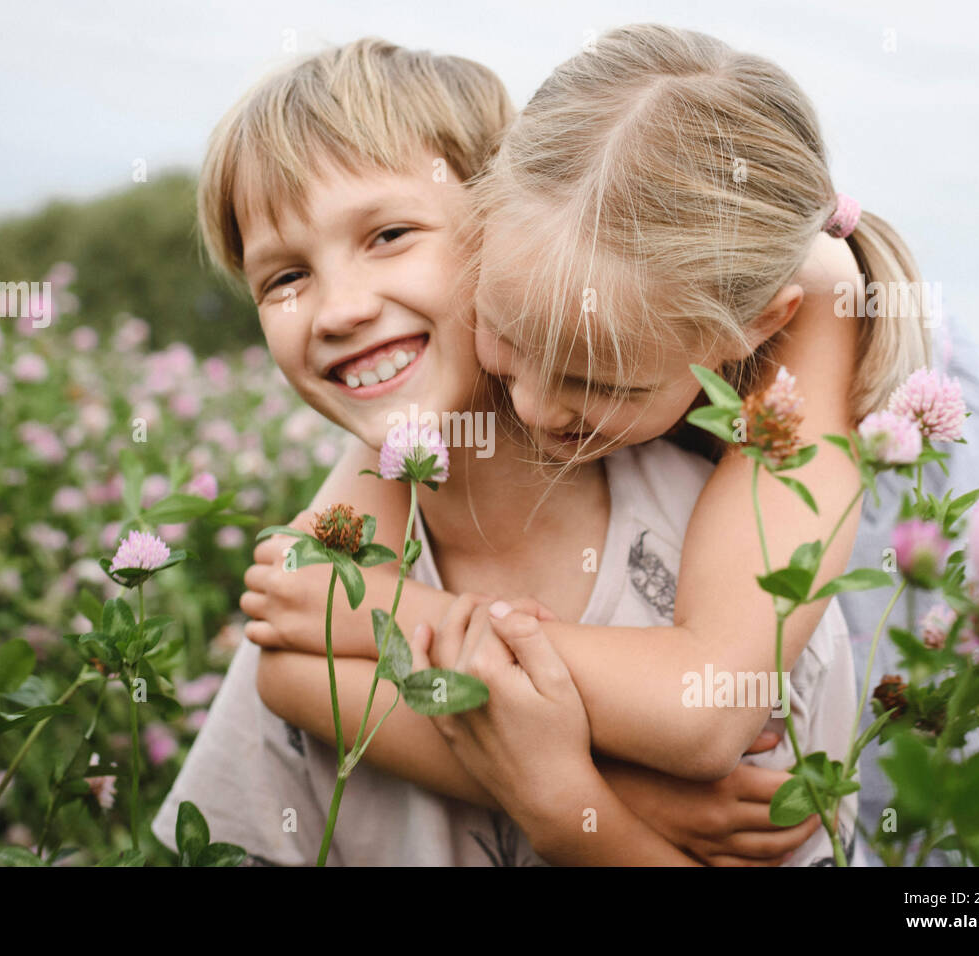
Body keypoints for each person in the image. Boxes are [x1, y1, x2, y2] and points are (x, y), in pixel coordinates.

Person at [170, 34, 858, 866]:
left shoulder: (727, 530)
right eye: (282, 278)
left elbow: (701, 714)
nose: (340, 309)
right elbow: (286, 663)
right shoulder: (352, 542)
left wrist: (567, 803)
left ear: (494, 218)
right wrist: (616, 798)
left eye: (388, 235)